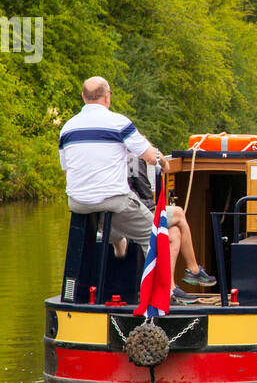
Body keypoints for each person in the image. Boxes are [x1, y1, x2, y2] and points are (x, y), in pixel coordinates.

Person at [58, 76, 215, 304]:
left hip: (79, 204)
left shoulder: (67, 128)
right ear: (107, 97)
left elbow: (66, 168)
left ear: (83, 97)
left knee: (126, 221)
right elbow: (150, 156)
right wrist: (163, 161)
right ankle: (166, 293)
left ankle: (118, 245)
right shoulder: (118, 123)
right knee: (156, 236)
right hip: (113, 201)